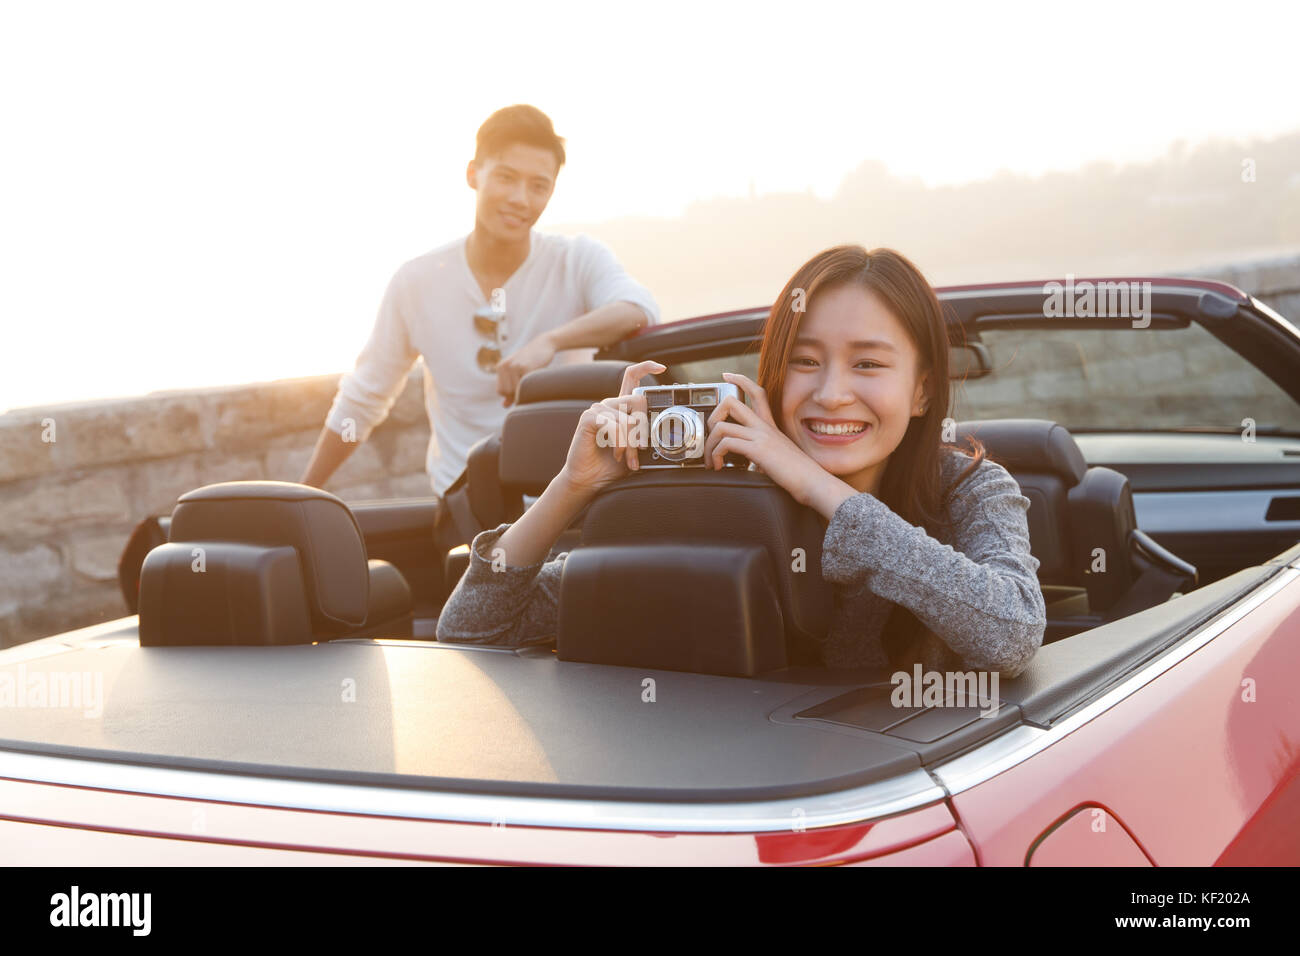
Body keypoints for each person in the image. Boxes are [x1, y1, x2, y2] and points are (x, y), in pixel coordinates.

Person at [436, 246, 1046, 678]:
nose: (832, 392)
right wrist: (571, 488)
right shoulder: (723, 493)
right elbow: (472, 632)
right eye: (806, 362)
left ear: (921, 391)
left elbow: (1012, 632)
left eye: (868, 364)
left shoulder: (970, 486)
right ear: (775, 378)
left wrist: (813, 485)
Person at [300, 104, 660, 499]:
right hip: (466, 506)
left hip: (569, 498)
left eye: (539, 185)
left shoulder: (576, 259)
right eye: (506, 178)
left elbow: (637, 308)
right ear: (473, 174)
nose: (521, 199)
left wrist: (549, 342)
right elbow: (364, 397)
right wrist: (301, 495)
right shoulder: (416, 282)